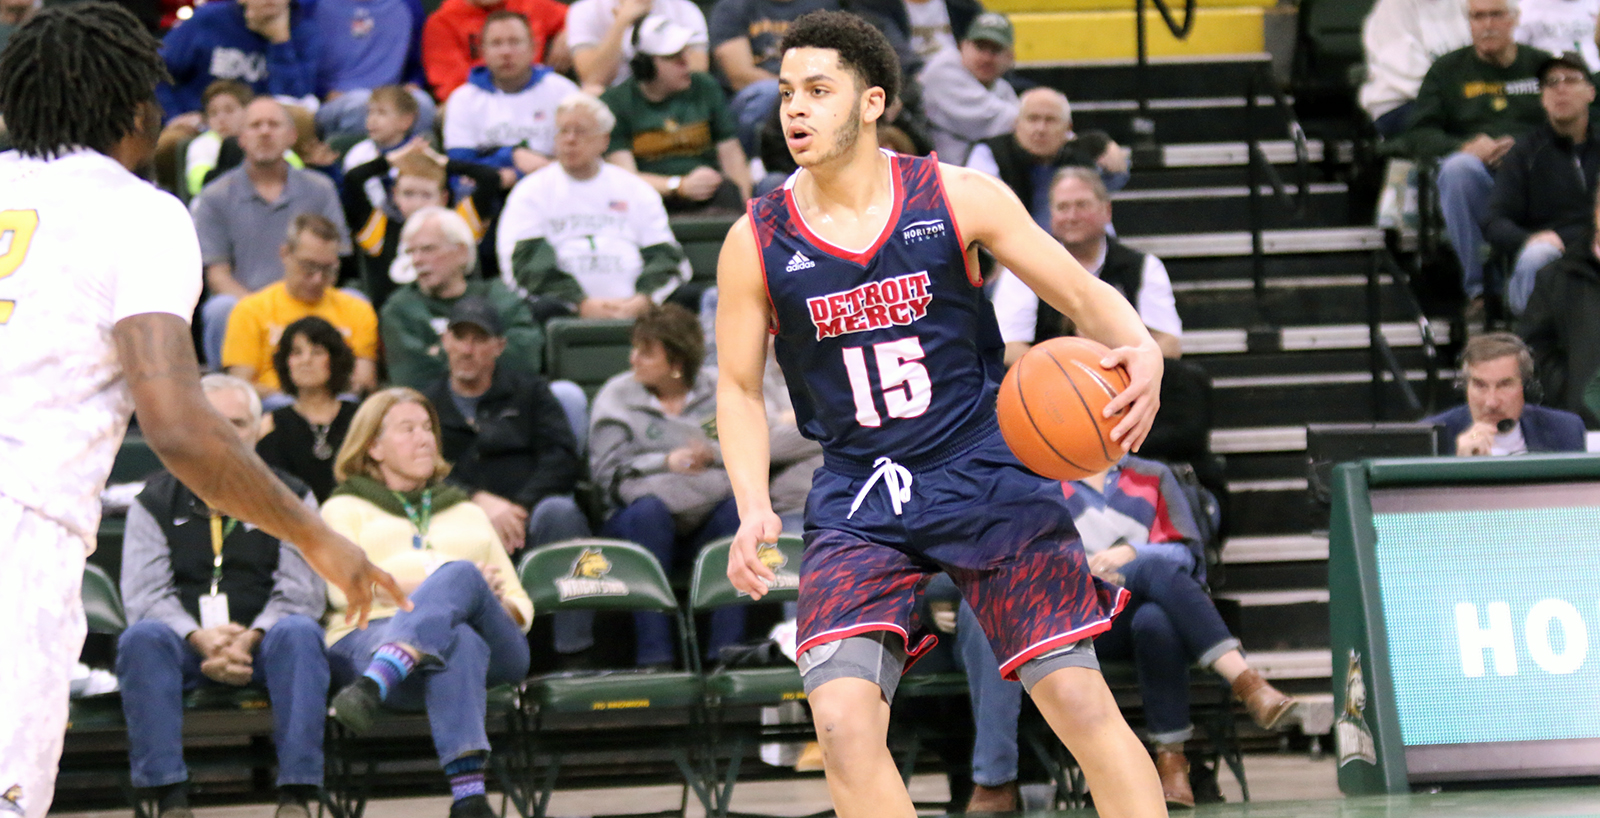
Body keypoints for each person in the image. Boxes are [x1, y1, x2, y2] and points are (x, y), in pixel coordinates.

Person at [713, 11, 1167, 817]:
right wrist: (752, 506)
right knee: (843, 723)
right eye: (786, 93)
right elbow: (739, 389)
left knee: (1078, 701)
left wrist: (1142, 350)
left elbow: (1079, 290)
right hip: (859, 490)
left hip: (982, 469)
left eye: (818, 90)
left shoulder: (956, 196)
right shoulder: (757, 239)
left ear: (872, 102)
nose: (796, 109)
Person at [0, 7, 399, 816]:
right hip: (19, 521)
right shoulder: (138, 210)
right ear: (131, 108)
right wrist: (316, 536)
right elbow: (179, 428)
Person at [956, 455, 1294, 811]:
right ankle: (1244, 682)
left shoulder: (1154, 475)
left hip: (1129, 614)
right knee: (1155, 574)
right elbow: (1021, 560)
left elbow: (1187, 554)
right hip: (1068, 619)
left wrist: (1130, 554)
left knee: (1156, 616)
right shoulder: (1044, 481)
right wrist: (1085, 571)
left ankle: (1172, 761)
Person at [117, 375, 330, 818]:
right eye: (212, 422)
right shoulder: (154, 500)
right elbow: (145, 593)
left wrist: (250, 637)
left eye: (238, 423)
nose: (225, 435)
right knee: (141, 638)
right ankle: (169, 798)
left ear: (258, 431)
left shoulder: (292, 496)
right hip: (184, 646)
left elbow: (301, 590)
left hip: (265, 643)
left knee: (301, 632)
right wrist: (199, 637)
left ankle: (296, 796)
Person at [322, 388, 532, 818]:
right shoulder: (343, 508)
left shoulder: (468, 511)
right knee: (460, 634)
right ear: (374, 447)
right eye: (407, 429)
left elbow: (519, 603)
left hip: (493, 653)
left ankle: (379, 679)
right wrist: (443, 589)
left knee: (464, 578)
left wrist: (483, 598)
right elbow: (343, 588)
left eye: (427, 429)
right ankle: (469, 799)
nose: (424, 439)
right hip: (369, 633)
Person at [590, 304, 743, 666]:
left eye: (646, 352)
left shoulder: (719, 389)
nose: (633, 359)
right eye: (635, 348)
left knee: (739, 513)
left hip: (705, 515)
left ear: (676, 360)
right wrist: (664, 462)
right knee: (649, 513)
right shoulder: (616, 396)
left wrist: (708, 457)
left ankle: (727, 655)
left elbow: (750, 450)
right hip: (637, 522)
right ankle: (655, 657)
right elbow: (605, 474)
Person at [1400, 0, 1549, 315]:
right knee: (1458, 169)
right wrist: (1463, 147)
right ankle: (1481, 290)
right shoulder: (1446, 71)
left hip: (1536, 174)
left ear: (1515, 19)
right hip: (1478, 176)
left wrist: (1527, 147)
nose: (1487, 25)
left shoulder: (1542, 66)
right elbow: (1417, 135)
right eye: (1478, 16)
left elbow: (1575, 123)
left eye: (1496, 15)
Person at [191, 97, 351, 368]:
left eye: (274, 125)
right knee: (219, 309)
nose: (264, 132)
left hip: (311, 297)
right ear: (241, 138)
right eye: (255, 126)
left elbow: (335, 261)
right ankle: (228, 386)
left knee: (356, 300)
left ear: (292, 136)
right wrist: (264, 310)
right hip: (245, 305)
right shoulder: (214, 197)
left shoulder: (320, 188)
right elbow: (217, 275)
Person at [498, 92, 689, 319]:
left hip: (640, 310)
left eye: (580, 131)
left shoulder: (635, 189)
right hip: (561, 310)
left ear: (604, 140)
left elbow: (665, 255)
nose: (570, 139)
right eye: (563, 131)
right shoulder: (530, 191)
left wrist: (645, 299)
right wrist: (578, 303)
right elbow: (523, 263)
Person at [992, 167, 1183, 362]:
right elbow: (1009, 347)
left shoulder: (1143, 267)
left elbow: (1169, 343)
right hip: (1049, 375)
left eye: (1082, 205)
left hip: (1126, 373)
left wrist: (1118, 362)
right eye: (1062, 207)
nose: (1072, 217)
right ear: (1051, 215)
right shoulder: (1026, 267)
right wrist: (1069, 369)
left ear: (1107, 210)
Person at [1485, 52, 1600, 317]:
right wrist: (1530, 239)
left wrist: (1570, 236)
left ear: (1590, 92)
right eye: (1551, 82)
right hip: (1553, 256)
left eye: (1570, 80)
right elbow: (1494, 221)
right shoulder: (1524, 153)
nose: (1560, 89)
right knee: (1537, 255)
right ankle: (1533, 338)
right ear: (1542, 98)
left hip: (1594, 246)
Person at [221, 213, 380, 403]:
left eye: (327, 269)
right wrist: (302, 395)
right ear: (285, 254)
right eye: (308, 266)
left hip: (336, 400)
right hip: (276, 402)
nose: (317, 279)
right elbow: (241, 385)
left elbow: (364, 382)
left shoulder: (357, 310)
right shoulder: (251, 310)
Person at [381, 206, 544, 388]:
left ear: (461, 252)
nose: (417, 260)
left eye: (428, 249)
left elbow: (525, 362)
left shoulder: (499, 297)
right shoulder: (399, 309)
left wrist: (438, 352)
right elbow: (412, 379)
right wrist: (485, 353)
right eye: (411, 252)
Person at [603, 16, 754, 211]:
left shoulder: (705, 87)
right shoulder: (616, 102)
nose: (685, 62)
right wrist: (679, 186)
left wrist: (746, 208)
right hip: (650, 200)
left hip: (709, 192)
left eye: (684, 53)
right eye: (673, 57)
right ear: (645, 66)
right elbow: (625, 177)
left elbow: (731, 155)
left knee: (728, 191)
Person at [343, 137, 504, 308]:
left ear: (444, 198)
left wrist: (442, 162)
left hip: (460, 314)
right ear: (395, 194)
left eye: (427, 195)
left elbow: (490, 178)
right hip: (394, 317)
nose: (417, 204)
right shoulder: (379, 229)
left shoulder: (458, 225)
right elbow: (353, 179)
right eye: (408, 194)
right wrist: (392, 160)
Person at [442, 10, 581, 189]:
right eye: (496, 43)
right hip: (489, 190)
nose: (506, 52)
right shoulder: (464, 98)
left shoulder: (563, 91)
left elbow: (582, 155)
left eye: (515, 42)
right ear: (482, 51)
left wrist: (516, 174)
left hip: (554, 185)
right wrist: (511, 155)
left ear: (534, 47)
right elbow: (460, 167)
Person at [965, 88, 1130, 231]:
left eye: (1050, 120)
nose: (1040, 129)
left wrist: (1103, 145)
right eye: (1032, 119)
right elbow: (983, 214)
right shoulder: (989, 153)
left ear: (1068, 128)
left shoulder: (1081, 157)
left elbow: (1114, 182)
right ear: (1016, 124)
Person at [154, 0, 326, 122]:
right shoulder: (208, 20)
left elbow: (294, 103)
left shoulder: (303, 32)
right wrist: (174, 116)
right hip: (202, 123)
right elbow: (156, 70)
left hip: (264, 128)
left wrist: (280, 41)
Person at [709, 0, 835, 157]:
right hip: (751, 97)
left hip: (808, 84)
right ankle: (754, 162)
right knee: (769, 93)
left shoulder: (823, 5)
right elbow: (739, 76)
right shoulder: (734, 6)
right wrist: (793, 88)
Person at [258, 317, 362, 502]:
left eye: (317, 352)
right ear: (286, 362)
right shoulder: (270, 424)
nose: (306, 361)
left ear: (335, 359)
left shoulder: (360, 418)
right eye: (296, 353)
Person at [1427, 332, 1587, 453]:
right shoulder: (1430, 436)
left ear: (1526, 388)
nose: (1491, 402)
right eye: (1480, 386)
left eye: (1504, 385)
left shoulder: (1566, 429)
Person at [309, 0, 435, 141]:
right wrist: (324, 92)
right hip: (333, 100)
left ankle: (413, 153)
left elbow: (417, 59)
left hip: (390, 93)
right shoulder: (312, 5)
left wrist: (414, 82)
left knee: (422, 104)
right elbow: (301, 59)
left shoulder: (408, 5)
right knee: (360, 103)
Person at [1358, 0, 1473, 137]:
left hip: (1462, 100)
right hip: (1403, 105)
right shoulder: (1392, 9)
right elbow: (1409, 78)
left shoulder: (1465, 5)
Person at [916, 11, 1018, 163]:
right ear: (962, 46)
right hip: (934, 171)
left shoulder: (1002, 87)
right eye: (980, 47)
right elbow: (1008, 121)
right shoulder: (943, 70)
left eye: (995, 50)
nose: (986, 58)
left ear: (1010, 57)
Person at [423, 0, 572, 100]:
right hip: (478, 100)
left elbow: (577, 17)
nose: (505, 51)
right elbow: (450, 86)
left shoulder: (531, 4)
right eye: (496, 43)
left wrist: (568, 33)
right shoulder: (442, 21)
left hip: (536, 92)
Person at [566, 0, 709, 92]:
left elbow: (697, 73)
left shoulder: (684, 9)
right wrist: (623, 21)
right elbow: (592, 78)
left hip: (670, 94)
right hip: (614, 99)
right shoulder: (584, 10)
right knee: (592, 92)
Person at [340, 85, 429, 216]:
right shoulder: (358, 153)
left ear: (406, 121)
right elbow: (350, 193)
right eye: (370, 112)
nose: (372, 120)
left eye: (382, 113)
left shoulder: (420, 151)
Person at [182, 80, 254, 198]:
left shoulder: (262, 137)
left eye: (229, 110)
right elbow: (196, 183)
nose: (221, 119)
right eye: (213, 113)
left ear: (248, 111)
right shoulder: (203, 144)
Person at [1515, 0, 1600, 71]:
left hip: (1591, 70)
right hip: (1546, 71)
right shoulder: (1528, 6)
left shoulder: (1595, 4)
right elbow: (1518, 47)